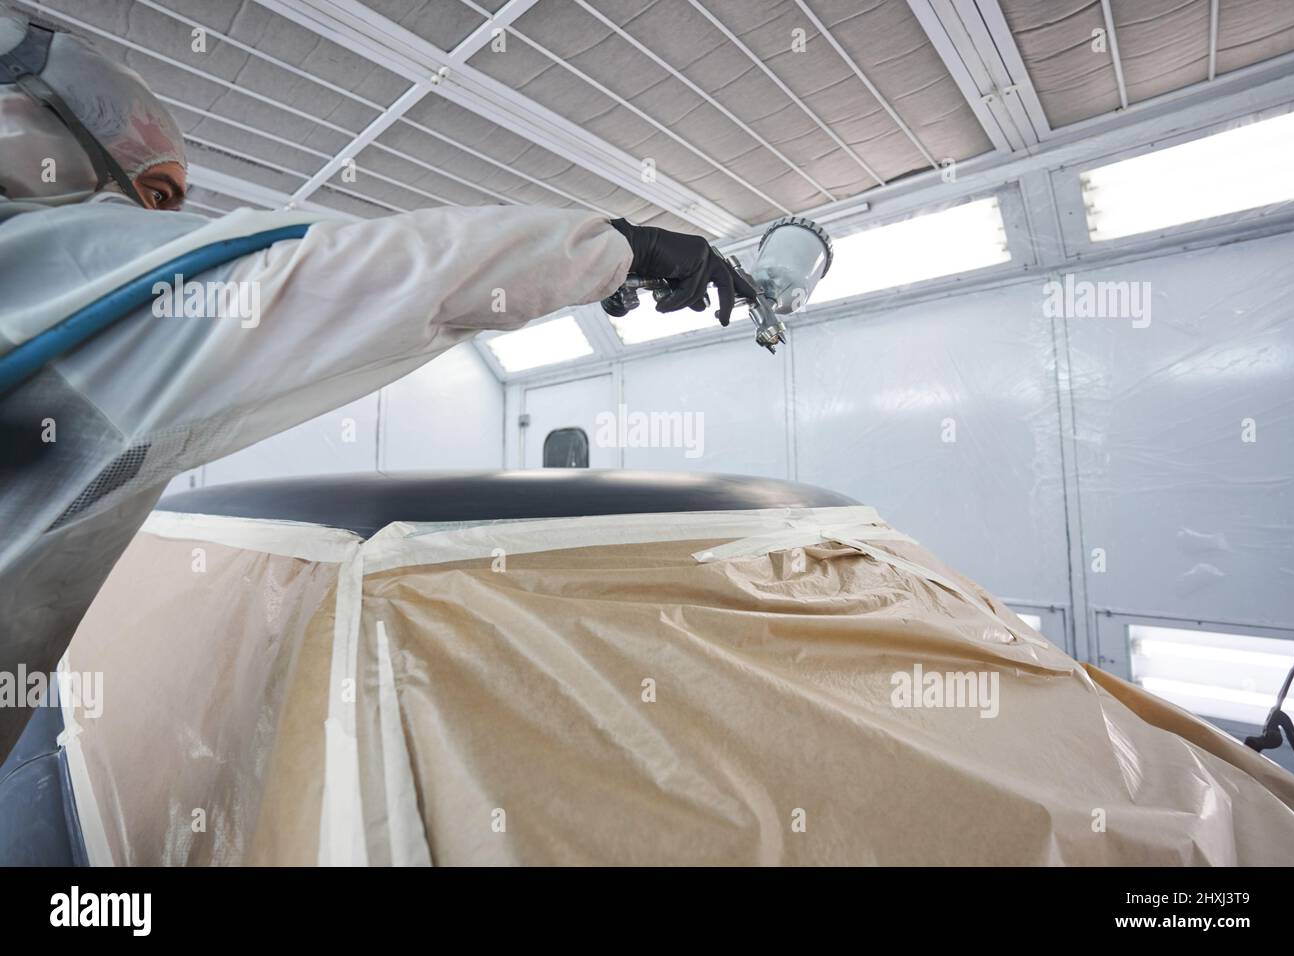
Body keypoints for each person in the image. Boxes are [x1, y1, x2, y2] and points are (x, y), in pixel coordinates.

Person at [0, 10, 755, 758]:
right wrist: (627, 248)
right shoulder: (45, 263)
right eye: (156, 197)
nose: (150, 228)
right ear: (39, 134)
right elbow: (386, 275)